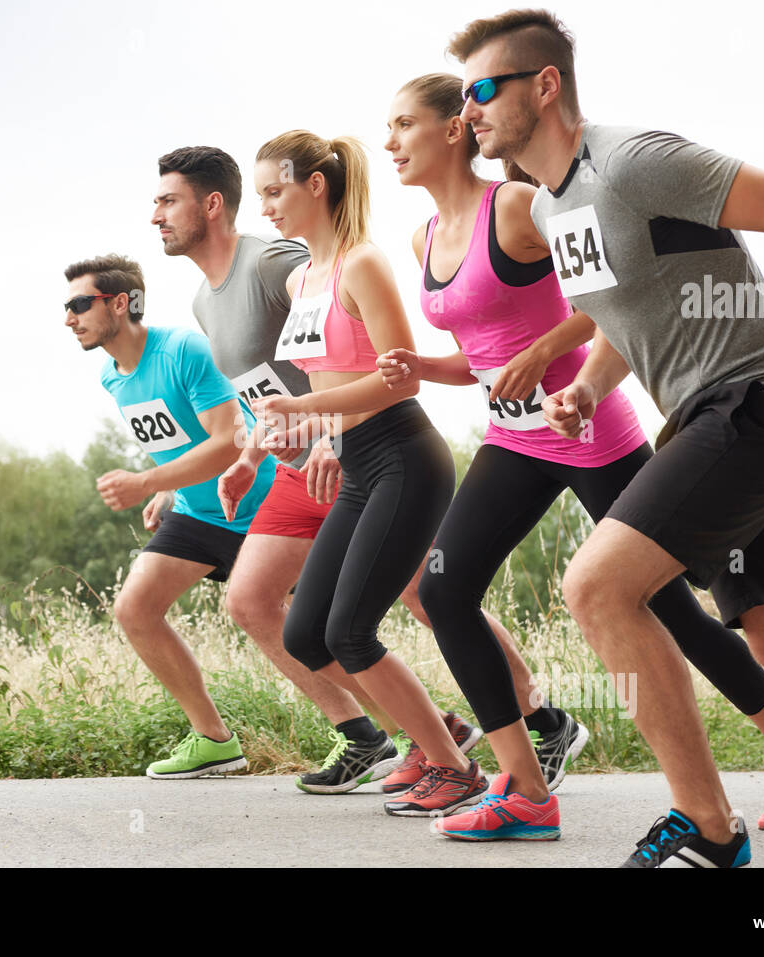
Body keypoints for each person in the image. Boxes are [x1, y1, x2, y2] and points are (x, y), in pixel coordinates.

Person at [450, 9, 764, 867]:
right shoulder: (558, 203)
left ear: (546, 85)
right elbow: (620, 319)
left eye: (484, 89)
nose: (470, 112)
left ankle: (709, 829)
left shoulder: (632, 160)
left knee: (597, 586)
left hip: (759, 398)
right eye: (462, 96)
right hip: (718, 412)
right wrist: (588, 390)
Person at [378, 72, 764, 843]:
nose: (388, 143)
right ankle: (523, 788)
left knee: (670, 607)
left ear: (454, 129)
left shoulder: (518, 207)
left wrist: (547, 351)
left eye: (402, 126)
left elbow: (604, 306)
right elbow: (483, 357)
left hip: (594, 433)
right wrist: (426, 368)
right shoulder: (422, 242)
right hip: (517, 437)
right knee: (442, 590)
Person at [232, 129, 486, 816]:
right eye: (260, 196)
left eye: (275, 192)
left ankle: (454, 766)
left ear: (316, 185)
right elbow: (332, 374)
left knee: (350, 629)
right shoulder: (300, 277)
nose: (266, 209)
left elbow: (400, 378)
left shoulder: (362, 264)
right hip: (352, 463)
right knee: (304, 632)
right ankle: (438, 738)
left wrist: (310, 409)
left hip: (404, 456)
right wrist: (315, 435)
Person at [64, 252, 276, 779]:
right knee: (135, 609)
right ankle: (214, 741)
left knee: (314, 634)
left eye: (78, 304)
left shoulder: (182, 348)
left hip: (262, 506)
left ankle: (418, 732)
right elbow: (179, 440)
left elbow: (231, 440)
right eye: (66, 307)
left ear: (118, 303)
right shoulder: (113, 377)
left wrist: (147, 483)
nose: (69, 317)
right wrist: (168, 487)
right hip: (199, 513)